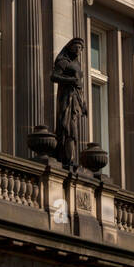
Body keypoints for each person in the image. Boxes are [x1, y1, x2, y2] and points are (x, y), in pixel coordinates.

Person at [52, 37, 86, 169]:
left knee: (74, 130)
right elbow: (54, 76)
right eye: (76, 47)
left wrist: (83, 103)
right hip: (66, 99)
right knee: (67, 128)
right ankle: (66, 158)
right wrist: (69, 80)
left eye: (80, 48)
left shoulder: (77, 64)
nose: (78, 50)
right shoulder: (63, 62)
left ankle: (70, 158)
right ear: (70, 47)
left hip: (76, 100)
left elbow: (80, 86)